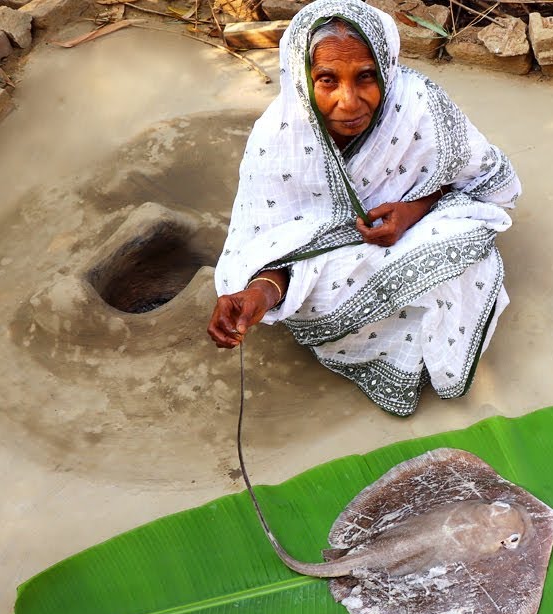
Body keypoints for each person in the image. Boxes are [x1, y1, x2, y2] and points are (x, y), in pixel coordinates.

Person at [208, 0, 521, 417]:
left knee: (463, 246)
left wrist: (413, 210)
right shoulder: (278, 137)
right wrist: (258, 295)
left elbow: (492, 181)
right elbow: (276, 245)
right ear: (302, 78)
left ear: (385, 69)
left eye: (366, 76)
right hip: (330, 270)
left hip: (418, 231)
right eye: (327, 80)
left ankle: (422, 345)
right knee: (319, 299)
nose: (349, 101)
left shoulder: (417, 105)